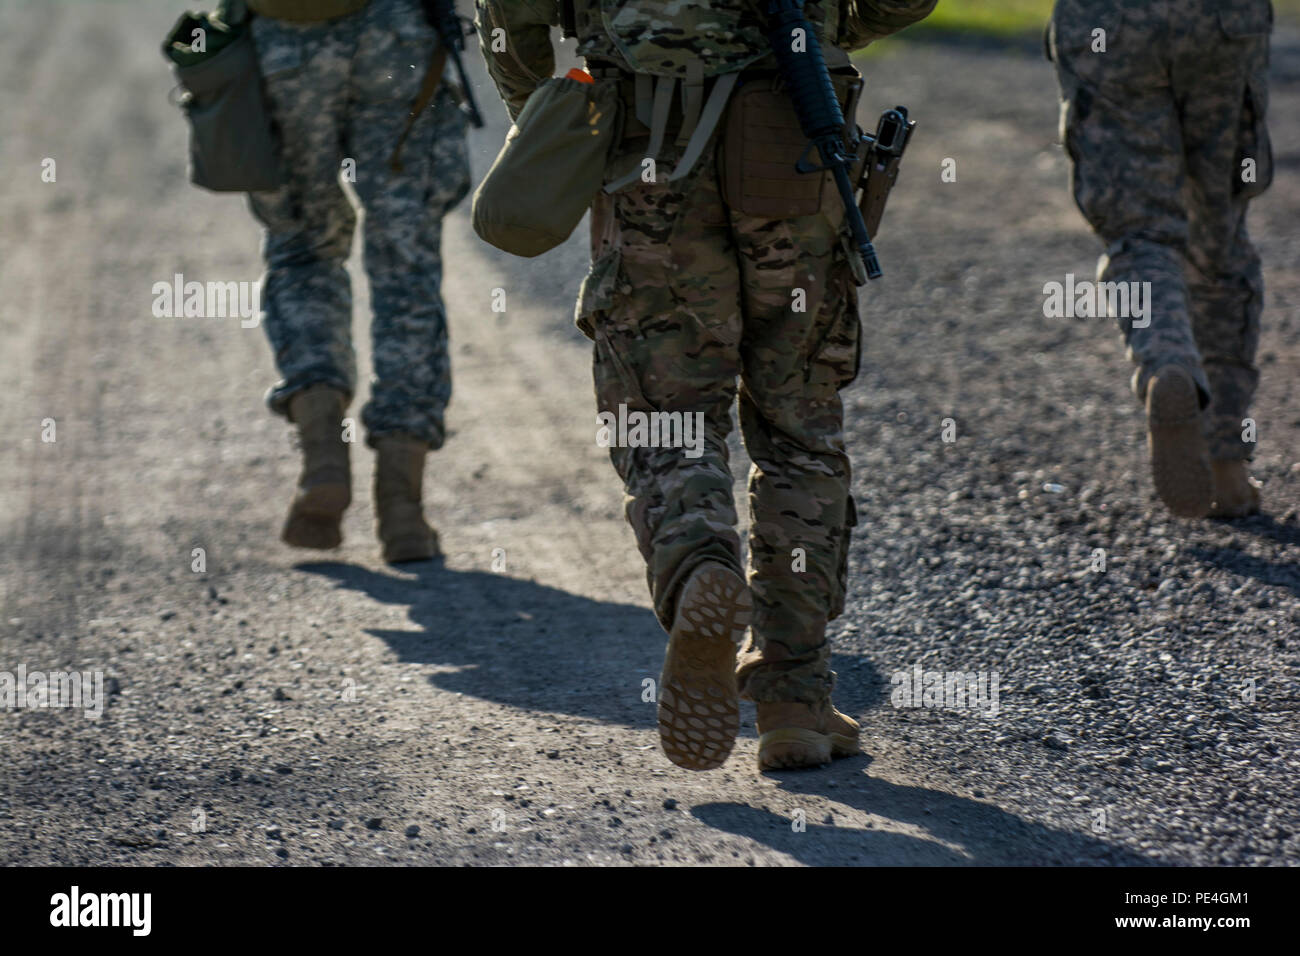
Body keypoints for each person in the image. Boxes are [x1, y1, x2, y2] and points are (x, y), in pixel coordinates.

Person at [475, 0, 935, 771]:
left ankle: (701, 569)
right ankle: (794, 695)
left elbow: (508, 16)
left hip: (645, 149)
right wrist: (818, 30)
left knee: (664, 413)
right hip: (796, 140)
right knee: (799, 426)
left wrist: (549, 120)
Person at [241, 0, 471, 560]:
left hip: (284, 42)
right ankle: (402, 510)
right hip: (397, 40)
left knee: (302, 248)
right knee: (406, 261)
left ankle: (322, 452)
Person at [1048, 0, 1274, 518]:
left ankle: (1169, 361)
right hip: (1221, 22)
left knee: (1139, 231)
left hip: (1108, 23)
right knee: (1221, 241)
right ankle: (1227, 469)